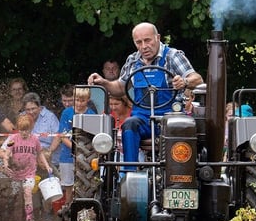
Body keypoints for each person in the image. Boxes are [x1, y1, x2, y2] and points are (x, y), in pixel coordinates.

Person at [87, 22, 203, 167]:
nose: (144, 46)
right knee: (129, 124)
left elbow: (197, 79)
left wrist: (184, 81)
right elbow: (119, 88)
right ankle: (129, 173)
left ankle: (178, 175)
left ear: (158, 38)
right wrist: (104, 82)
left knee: (181, 128)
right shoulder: (133, 60)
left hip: (170, 118)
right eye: (139, 42)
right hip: (142, 119)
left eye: (147, 40)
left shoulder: (173, 56)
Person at [0, 114, 52, 221]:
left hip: (29, 172)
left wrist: (47, 166)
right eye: (22, 130)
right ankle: (11, 217)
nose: (24, 133)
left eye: (26, 130)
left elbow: (40, 153)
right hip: (15, 173)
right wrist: (5, 162)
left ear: (31, 129)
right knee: (15, 196)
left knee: (28, 193)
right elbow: (7, 152)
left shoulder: (35, 140)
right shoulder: (13, 139)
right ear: (18, 128)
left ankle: (29, 216)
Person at [56, 87, 98, 204]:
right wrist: (75, 148)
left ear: (88, 100)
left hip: (87, 156)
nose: (79, 103)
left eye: (82, 100)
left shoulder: (91, 114)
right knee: (68, 185)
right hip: (67, 155)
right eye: (77, 100)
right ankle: (68, 208)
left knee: (85, 184)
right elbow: (62, 135)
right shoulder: (67, 113)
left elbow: (94, 137)